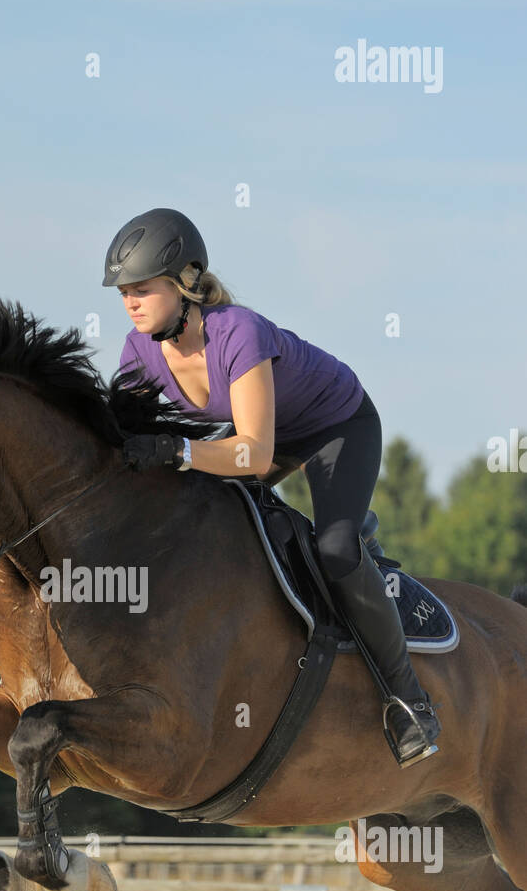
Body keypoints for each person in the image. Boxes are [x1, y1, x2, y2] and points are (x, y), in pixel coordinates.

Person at [103, 206, 441, 768]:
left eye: (142, 288)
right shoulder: (137, 352)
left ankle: (410, 702)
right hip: (265, 434)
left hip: (336, 425)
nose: (130, 302)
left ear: (185, 282)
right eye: (122, 293)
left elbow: (254, 453)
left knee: (335, 548)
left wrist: (181, 451)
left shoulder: (238, 330)